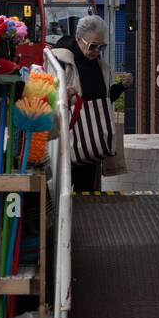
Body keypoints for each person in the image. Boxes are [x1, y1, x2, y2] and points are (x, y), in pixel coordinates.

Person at [50, 14, 132, 192]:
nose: (97, 51)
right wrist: (64, 95)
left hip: (92, 144)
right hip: (67, 140)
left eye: (102, 47)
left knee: (87, 193)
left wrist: (121, 87)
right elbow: (46, 95)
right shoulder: (60, 62)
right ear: (79, 39)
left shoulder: (101, 66)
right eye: (93, 46)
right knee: (60, 192)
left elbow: (104, 100)